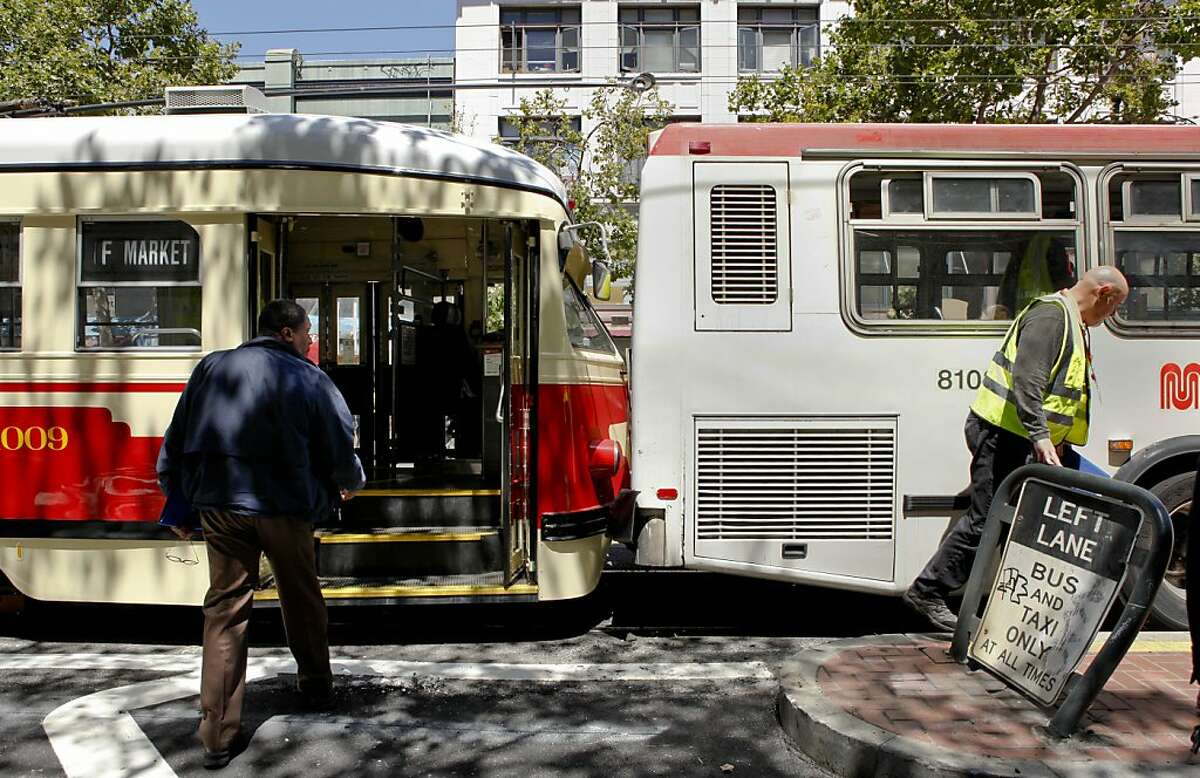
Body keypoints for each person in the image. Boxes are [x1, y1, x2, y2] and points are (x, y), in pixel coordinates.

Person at [157, 299, 365, 770]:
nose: (312, 340)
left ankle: (215, 734)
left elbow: (176, 438)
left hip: (221, 505)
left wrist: (177, 495)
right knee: (301, 595)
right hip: (284, 506)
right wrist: (349, 484)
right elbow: (338, 439)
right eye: (308, 331)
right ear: (288, 333)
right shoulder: (308, 377)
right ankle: (315, 686)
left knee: (225, 611)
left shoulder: (212, 367)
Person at [903, 266, 1129, 631]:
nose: (1111, 315)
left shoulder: (1068, 318)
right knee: (987, 517)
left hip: (1020, 437)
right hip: (1004, 434)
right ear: (1103, 292)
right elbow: (1029, 380)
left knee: (1019, 520)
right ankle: (928, 591)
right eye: (1114, 306)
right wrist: (1040, 435)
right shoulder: (1051, 316)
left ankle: (1016, 606)